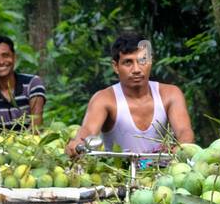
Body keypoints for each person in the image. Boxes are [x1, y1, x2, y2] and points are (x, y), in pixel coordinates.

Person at [64, 33, 194, 157]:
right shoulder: (104, 99)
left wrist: (182, 146)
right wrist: (78, 142)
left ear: (150, 62)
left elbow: (184, 131)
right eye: (128, 62)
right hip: (118, 176)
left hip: (163, 174)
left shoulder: (170, 94)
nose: (136, 69)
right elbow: (88, 130)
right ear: (116, 66)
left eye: (142, 61)